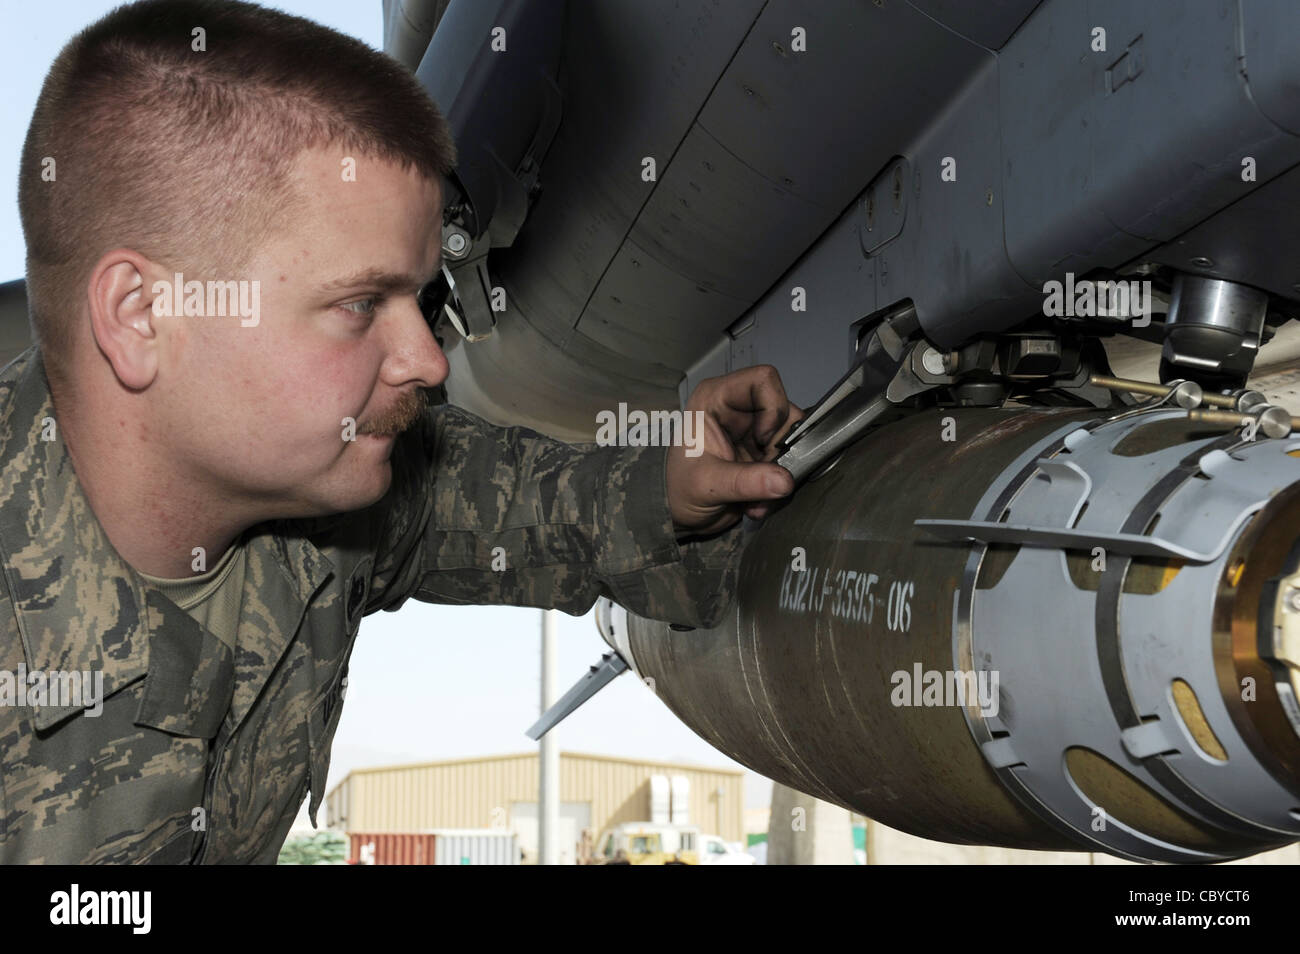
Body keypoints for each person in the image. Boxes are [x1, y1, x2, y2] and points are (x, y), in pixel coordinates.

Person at [0, 0, 801, 863]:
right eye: (358, 305)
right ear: (143, 315)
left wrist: (669, 487)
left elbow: (500, 501)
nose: (428, 360)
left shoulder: (326, 501)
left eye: (418, 303)